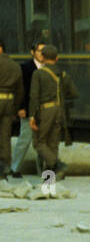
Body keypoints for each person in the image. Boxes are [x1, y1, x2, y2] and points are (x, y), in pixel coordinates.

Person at [26, 45, 77, 178]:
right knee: (53, 144)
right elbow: (74, 93)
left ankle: (56, 164)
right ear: (57, 58)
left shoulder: (38, 74)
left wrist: (31, 116)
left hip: (45, 111)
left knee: (39, 143)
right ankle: (49, 182)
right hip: (59, 111)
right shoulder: (63, 74)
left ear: (42, 57)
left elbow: (34, 96)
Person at [7, 41, 43, 178]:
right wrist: (21, 107)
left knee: (43, 142)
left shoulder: (49, 67)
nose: (41, 54)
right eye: (39, 51)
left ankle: (43, 171)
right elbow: (21, 89)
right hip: (28, 109)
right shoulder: (25, 68)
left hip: (45, 111)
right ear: (32, 52)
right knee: (24, 139)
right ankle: (14, 168)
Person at [0, 40, 23, 178]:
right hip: (9, 101)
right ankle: (4, 168)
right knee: (5, 137)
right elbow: (20, 90)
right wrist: (15, 108)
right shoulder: (15, 65)